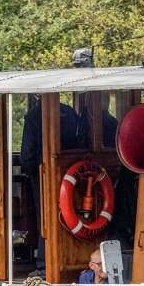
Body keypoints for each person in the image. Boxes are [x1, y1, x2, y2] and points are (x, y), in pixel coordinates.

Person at [18, 100, 84, 273]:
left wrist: (31, 170)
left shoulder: (33, 117)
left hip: (42, 175)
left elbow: (27, 155)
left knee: (44, 218)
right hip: (73, 172)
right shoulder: (69, 112)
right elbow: (78, 143)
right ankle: (73, 259)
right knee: (72, 214)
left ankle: (44, 264)